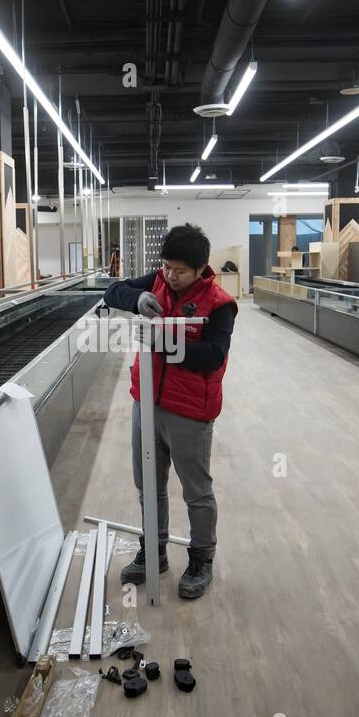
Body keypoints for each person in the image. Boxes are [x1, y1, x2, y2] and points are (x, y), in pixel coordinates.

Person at [102, 224, 237, 599]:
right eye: (166, 267)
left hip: (189, 411)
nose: (170, 276)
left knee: (196, 490)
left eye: (179, 271)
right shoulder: (160, 280)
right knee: (148, 484)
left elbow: (213, 356)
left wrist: (164, 342)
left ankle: (201, 558)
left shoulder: (219, 304)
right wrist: (137, 299)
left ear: (200, 269)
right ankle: (154, 552)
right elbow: (113, 290)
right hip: (146, 402)